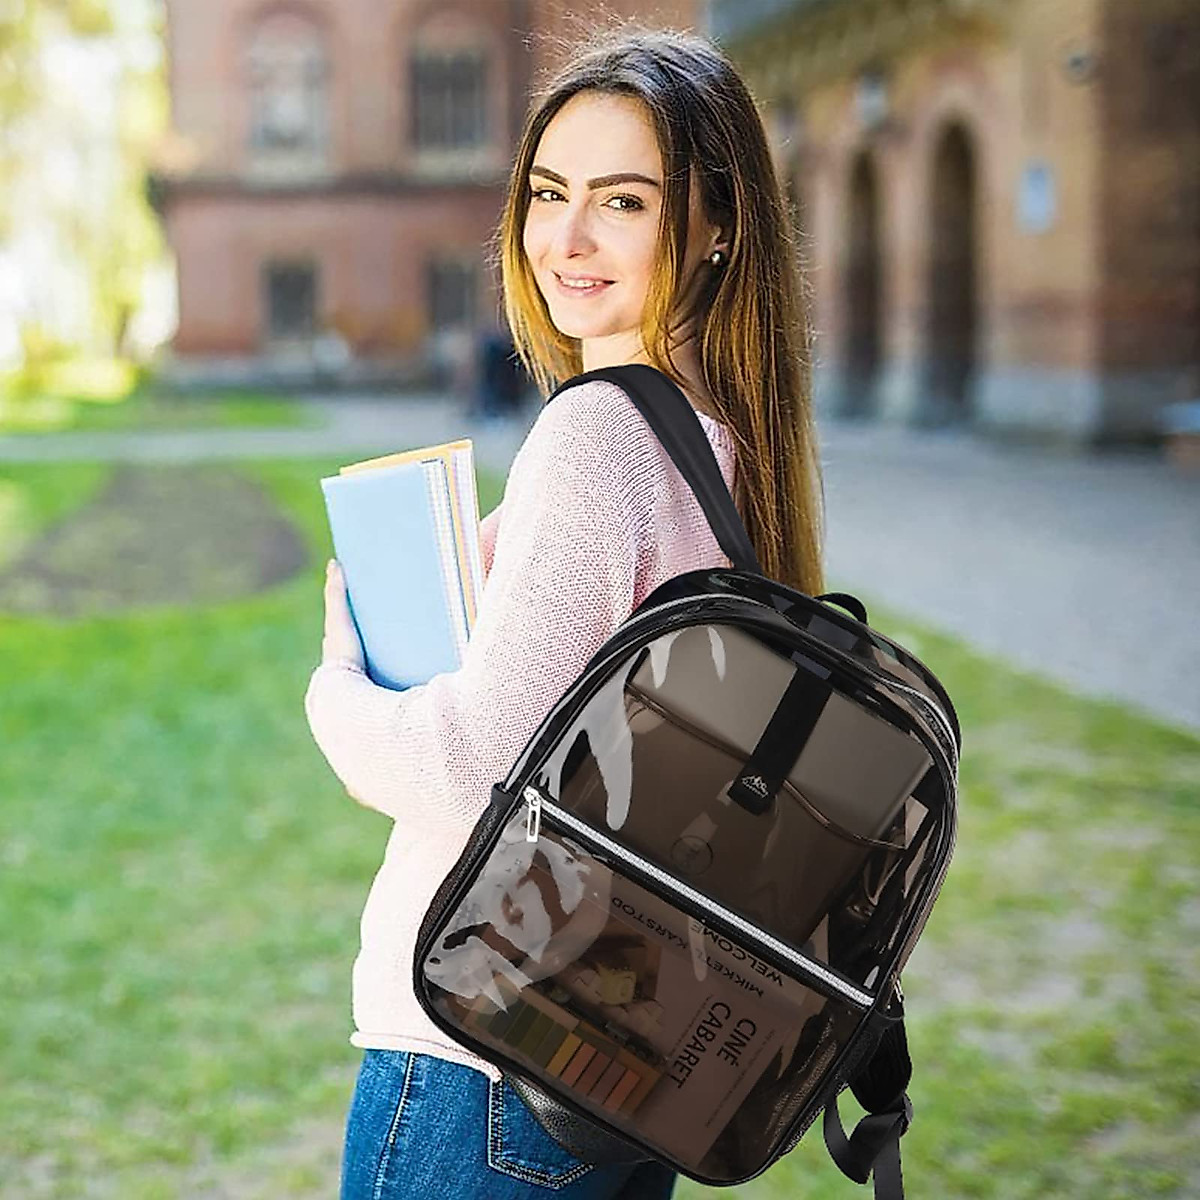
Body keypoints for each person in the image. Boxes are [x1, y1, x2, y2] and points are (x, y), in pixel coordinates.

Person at [305, 24, 825, 1200]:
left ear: (716, 226)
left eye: (625, 202)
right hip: (615, 1063)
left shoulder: (598, 436)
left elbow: (471, 772)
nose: (566, 239)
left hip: (484, 1067)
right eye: (549, 193)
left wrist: (338, 696)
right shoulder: (718, 447)